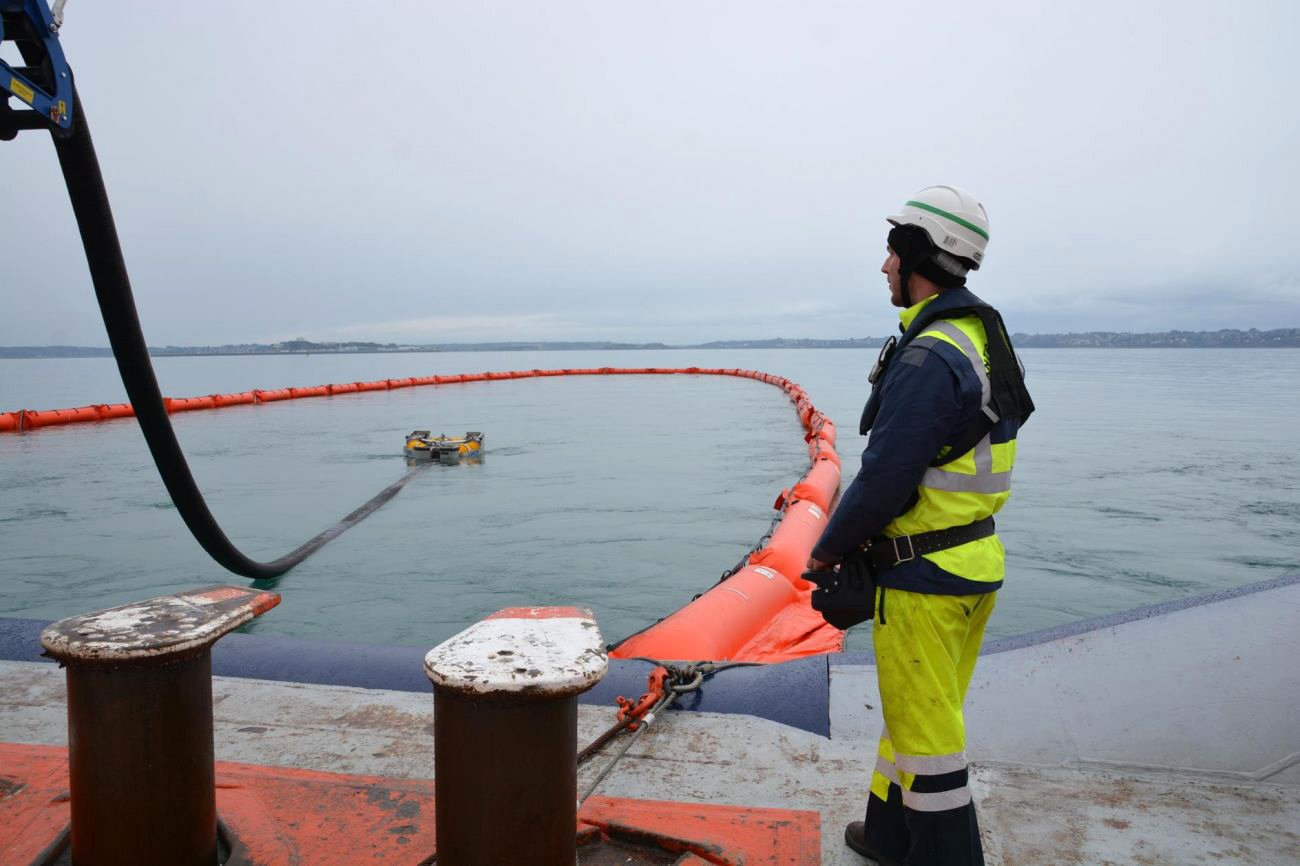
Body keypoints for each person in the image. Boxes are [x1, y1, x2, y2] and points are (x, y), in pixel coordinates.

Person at [807, 185, 1033, 865]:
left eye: (890, 252)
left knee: (931, 745)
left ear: (916, 257)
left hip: (923, 577)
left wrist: (826, 550)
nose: (883, 267)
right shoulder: (982, 338)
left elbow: (883, 479)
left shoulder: (929, 356)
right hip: (974, 563)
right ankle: (887, 835)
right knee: (918, 716)